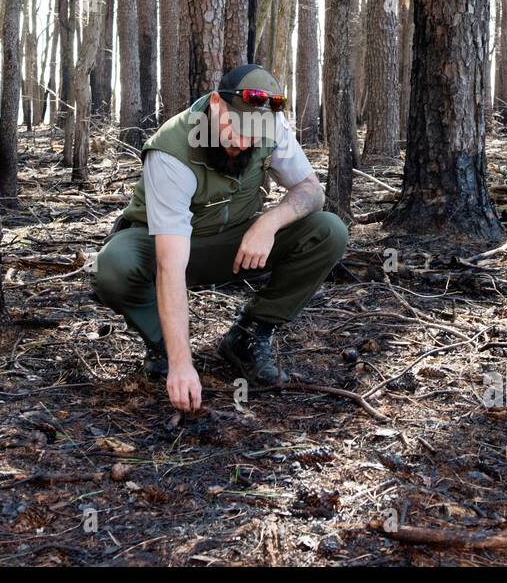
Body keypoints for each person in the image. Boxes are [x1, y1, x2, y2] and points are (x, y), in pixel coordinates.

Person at [93, 64, 349, 411]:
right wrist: (182, 363)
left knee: (328, 231)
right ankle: (164, 349)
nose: (243, 142)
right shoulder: (172, 149)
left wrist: (269, 223)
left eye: (253, 133)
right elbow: (170, 264)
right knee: (114, 265)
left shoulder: (271, 127)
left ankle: (248, 335)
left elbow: (311, 190)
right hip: (162, 247)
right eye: (235, 127)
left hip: (232, 243)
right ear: (215, 104)